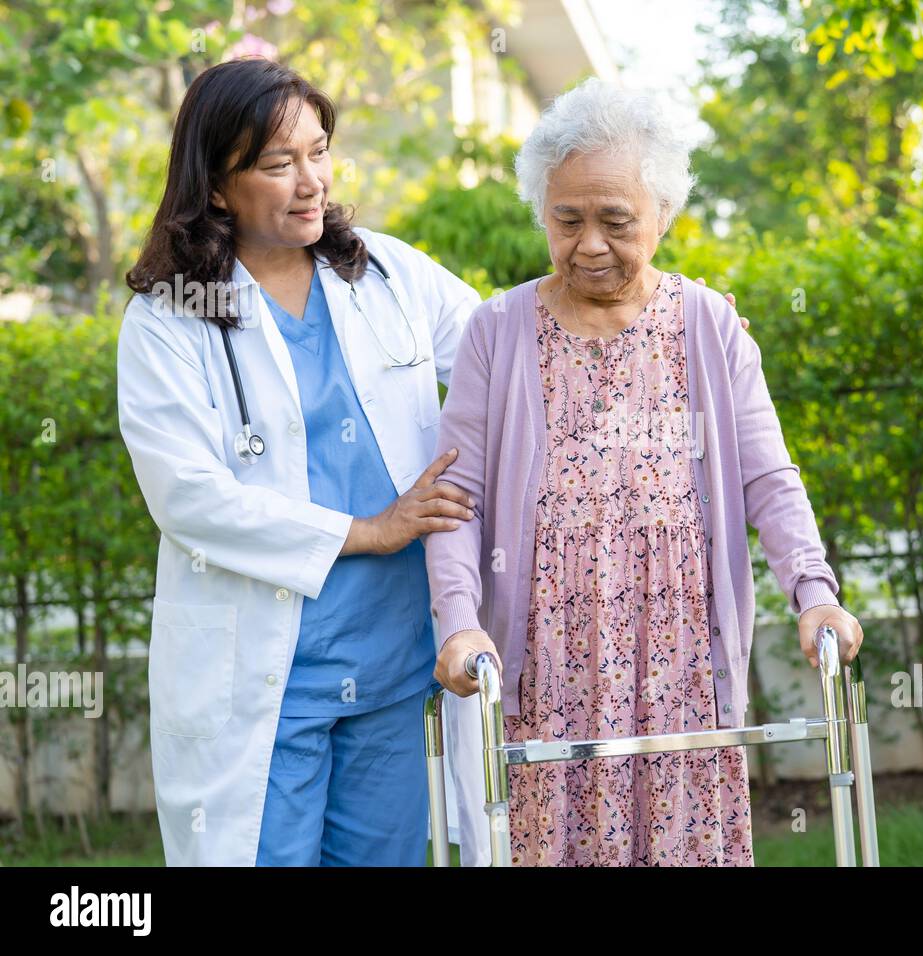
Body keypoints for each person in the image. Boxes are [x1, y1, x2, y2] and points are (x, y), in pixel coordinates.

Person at [427, 78, 864, 866]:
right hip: (545, 664)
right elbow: (456, 499)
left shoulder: (710, 324)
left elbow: (769, 477)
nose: (589, 244)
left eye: (616, 220)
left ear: (662, 213)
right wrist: (460, 621)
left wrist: (815, 593)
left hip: (681, 656)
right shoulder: (497, 330)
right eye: (567, 220)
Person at [117, 58, 482, 866]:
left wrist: (661, 316)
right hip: (264, 676)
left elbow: (511, 352)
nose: (311, 181)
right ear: (217, 186)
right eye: (279, 164)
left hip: (393, 664)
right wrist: (371, 529)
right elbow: (188, 497)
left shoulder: (387, 272)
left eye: (319, 152)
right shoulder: (171, 317)